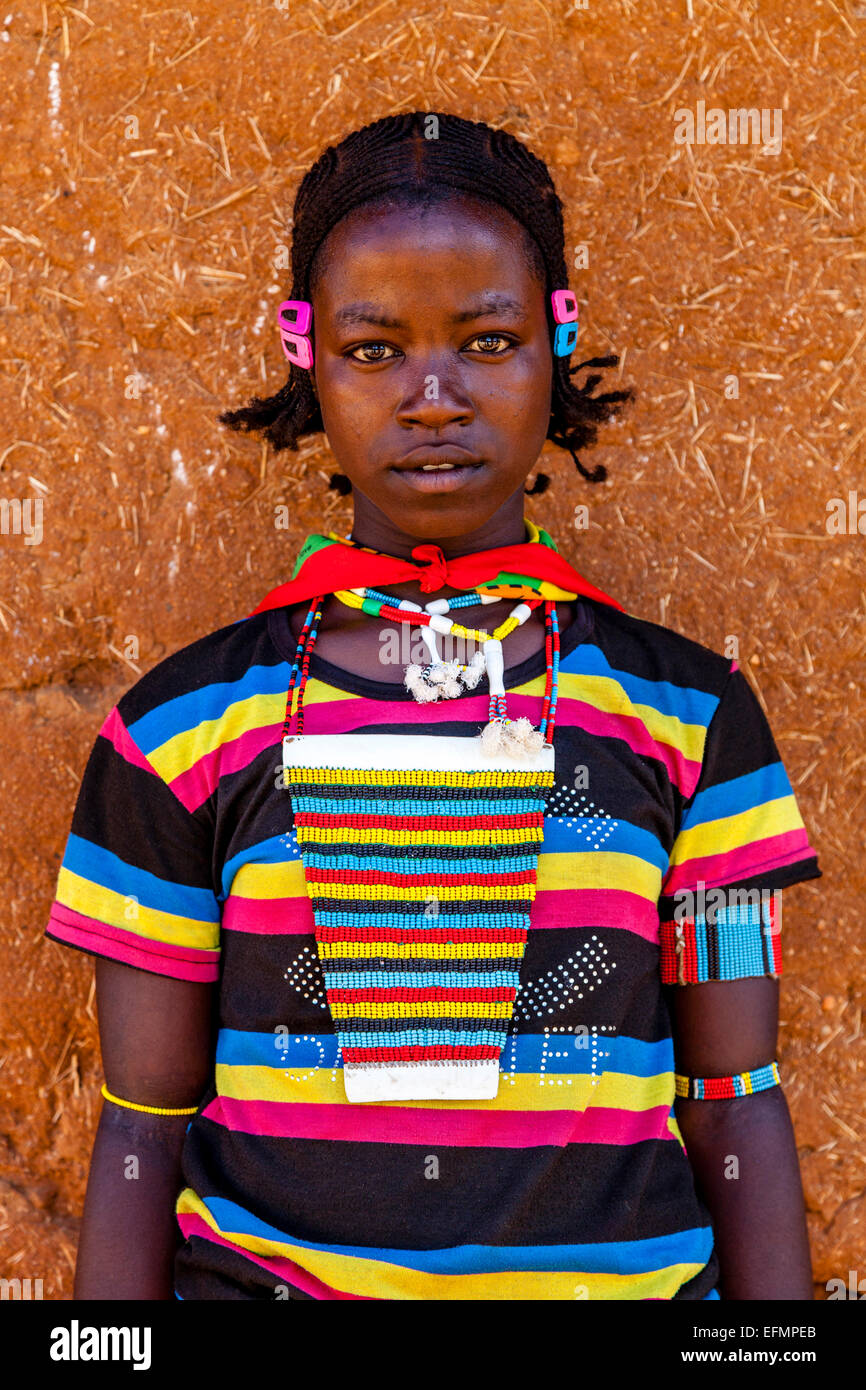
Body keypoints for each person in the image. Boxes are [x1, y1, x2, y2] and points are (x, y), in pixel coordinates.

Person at [47, 111, 821, 1300]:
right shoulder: (179, 730)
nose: (432, 395)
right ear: (305, 359)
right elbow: (142, 1122)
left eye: (487, 339)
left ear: (553, 349)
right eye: (373, 350)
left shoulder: (693, 718)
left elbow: (734, 1094)